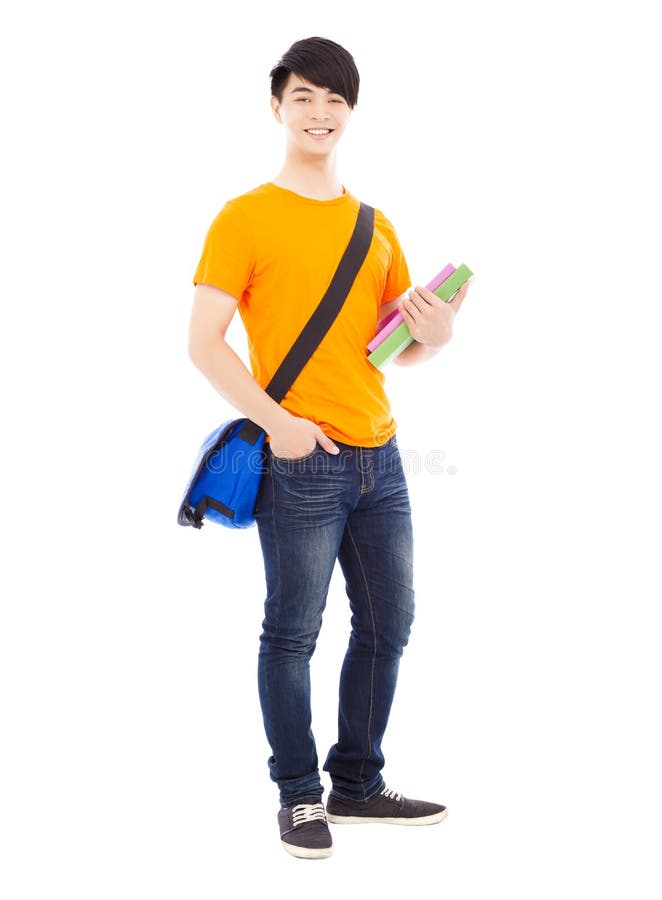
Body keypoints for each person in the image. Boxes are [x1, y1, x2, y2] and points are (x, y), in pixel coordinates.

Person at [187, 36, 469, 859]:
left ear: (351, 111)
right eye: (304, 96)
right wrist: (278, 422)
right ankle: (299, 796)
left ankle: (356, 783)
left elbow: (391, 350)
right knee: (293, 633)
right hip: (300, 458)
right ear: (277, 105)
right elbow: (203, 343)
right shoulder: (244, 217)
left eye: (334, 99)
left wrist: (437, 337)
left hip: (382, 457)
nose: (319, 112)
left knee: (390, 624)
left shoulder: (376, 228)